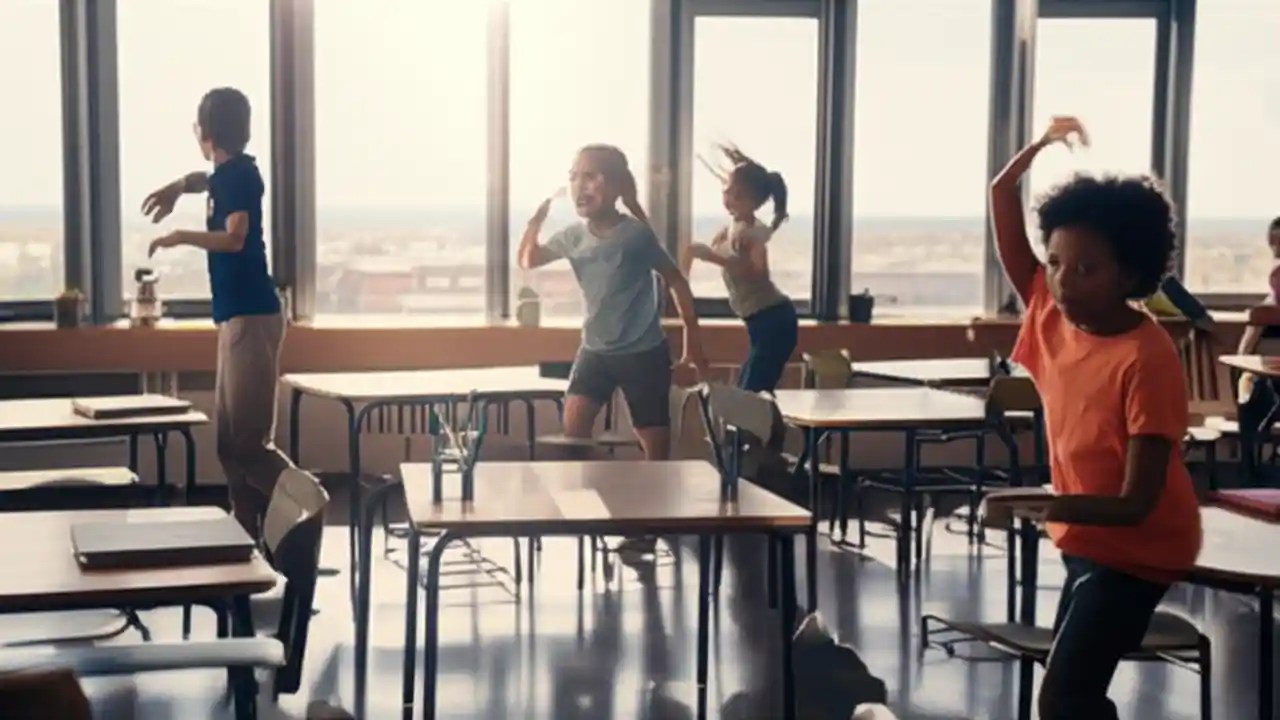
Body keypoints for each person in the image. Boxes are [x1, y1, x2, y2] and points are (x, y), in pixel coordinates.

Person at [987, 116, 1202, 720]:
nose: (1061, 280)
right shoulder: (1048, 310)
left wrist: (1041, 503)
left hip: (1141, 551)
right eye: (1055, 262)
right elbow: (1002, 197)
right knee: (1069, 695)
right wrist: (1042, 144)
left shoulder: (1147, 357)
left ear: (1129, 275)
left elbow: (1137, 503)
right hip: (1085, 542)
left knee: (1063, 698)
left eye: (1085, 269)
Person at [518, 144, 708, 558]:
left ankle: (649, 526)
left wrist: (693, 342)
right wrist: (535, 221)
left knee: (653, 449)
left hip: (643, 353)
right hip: (595, 352)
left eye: (591, 176)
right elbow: (528, 259)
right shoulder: (572, 236)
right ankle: (591, 514)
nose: (579, 186)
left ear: (616, 185)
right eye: (574, 176)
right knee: (573, 435)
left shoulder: (636, 236)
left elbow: (676, 281)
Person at [141, 87, 291, 536]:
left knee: (249, 445)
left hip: (251, 315)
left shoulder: (239, 178)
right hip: (235, 318)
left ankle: (306, 507)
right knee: (229, 445)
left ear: (206, 132)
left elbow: (235, 237)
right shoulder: (230, 173)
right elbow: (207, 181)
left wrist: (180, 236)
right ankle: (244, 530)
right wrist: (179, 186)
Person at [681, 144, 797, 393]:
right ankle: (750, 431)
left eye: (738, 195)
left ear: (755, 202)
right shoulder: (734, 227)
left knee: (751, 395)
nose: (729, 199)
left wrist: (713, 257)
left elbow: (756, 273)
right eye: (727, 190)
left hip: (774, 321)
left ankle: (757, 432)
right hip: (759, 323)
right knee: (747, 392)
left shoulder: (751, 234)